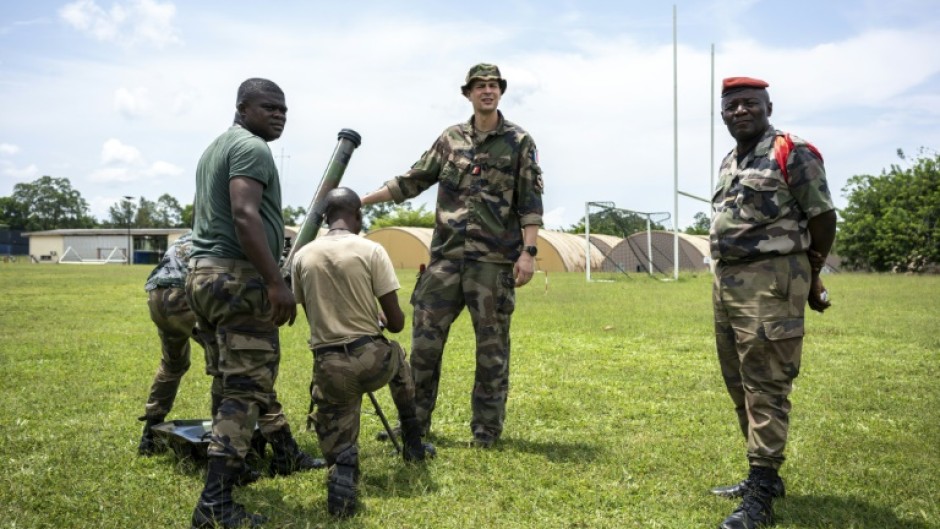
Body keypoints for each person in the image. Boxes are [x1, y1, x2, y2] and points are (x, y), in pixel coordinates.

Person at [362, 63, 544, 448]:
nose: (487, 91)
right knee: (424, 348)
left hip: (492, 264)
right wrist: (361, 201)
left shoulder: (519, 141)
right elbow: (412, 180)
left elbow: (530, 202)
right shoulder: (450, 139)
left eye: (493, 85)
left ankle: (486, 432)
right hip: (445, 261)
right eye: (479, 86)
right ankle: (414, 425)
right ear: (468, 94)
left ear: (501, 91)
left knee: (492, 351)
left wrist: (528, 252)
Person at [186, 78, 322, 529]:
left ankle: (239, 467)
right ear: (243, 108)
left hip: (204, 276)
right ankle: (215, 504)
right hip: (237, 278)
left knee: (229, 380)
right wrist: (275, 282)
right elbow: (245, 214)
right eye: (269, 108)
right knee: (246, 390)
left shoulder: (216, 147)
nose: (279, 115)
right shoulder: (251, 147)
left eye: (284, 110)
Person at [709, 76, 836, 529]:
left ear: (768, 107)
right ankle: (761, 474)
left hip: (773, 280)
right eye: (732, 106)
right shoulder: (731, 160)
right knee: (738, 380)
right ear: (723, 114)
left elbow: (822, 216)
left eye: (750, 103)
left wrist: (812, 273)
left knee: (766, 383)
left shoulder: (792, 151)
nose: (740, 111)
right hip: (728, 282)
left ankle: (761, 493)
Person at [292, 187, 436, 517]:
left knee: (339, 428)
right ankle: (412, 441)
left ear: (326, 218)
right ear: (357, 215)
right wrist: (378, 318)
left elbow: (312, 311)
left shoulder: (303, 255)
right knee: (398, 355)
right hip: (372, 359)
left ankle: (344, 467)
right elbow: (396, 323)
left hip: (330, 366)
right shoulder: (371, 250)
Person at [137, 231, 198, 455]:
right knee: (228, 363)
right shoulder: (221, 233)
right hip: (183, 297)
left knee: (172, 364)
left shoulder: (185, 236)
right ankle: (228, 440)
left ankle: (150, 436)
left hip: (157, 297)